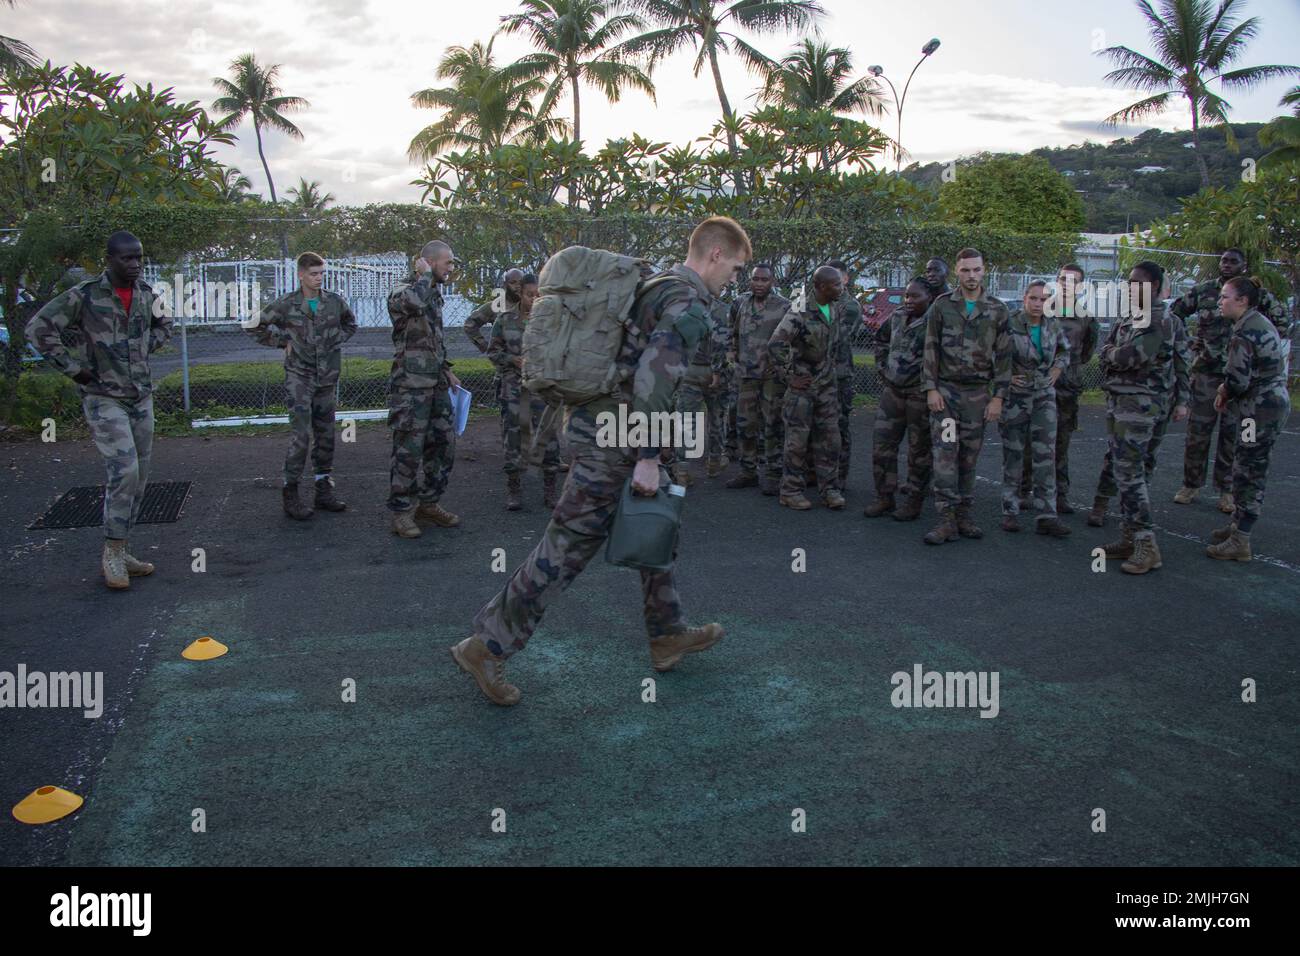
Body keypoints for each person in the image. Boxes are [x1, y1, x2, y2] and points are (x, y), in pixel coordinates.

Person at [452, 217, 751, 706]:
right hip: (620, 438)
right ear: (715, 254)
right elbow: (655, 380)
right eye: (735, 268)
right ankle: (485, 646)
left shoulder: (655, 285)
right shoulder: (687, 300)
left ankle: (667, 632)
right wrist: (649, 458)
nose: (733, 279)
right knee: (567, 547)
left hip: (605, 425)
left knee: (656, 527)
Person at [25, 231, 172, 589]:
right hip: (104, 397)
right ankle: (112, 553)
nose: (134, 264)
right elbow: (38, 328)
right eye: (126, 258)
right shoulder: (85, 295)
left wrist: (142, 347)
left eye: (138, 257)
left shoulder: (148, 295)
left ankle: (124, 551)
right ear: (109, 259)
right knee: (124, 471)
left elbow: (164, 324)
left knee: (140, 477)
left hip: (140, 397)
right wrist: (74, 369)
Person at [1171, 249, 1289, 513]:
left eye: (1233, 261)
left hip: (1241, 380)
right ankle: (1191, 484)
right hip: (1207, 374)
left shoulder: (1254, 296)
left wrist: (1259, 351)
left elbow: (1282, 321)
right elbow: (1175, 313)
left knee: (1233, 435)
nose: (1226, 264)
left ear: (1243, 265)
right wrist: (1190, 343)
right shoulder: (1204, 291)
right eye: (1223, 260)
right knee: (1197, 432)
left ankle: (1226, 491)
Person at [248, 251, 357, 519]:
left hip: (327, 377)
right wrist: (282, 342)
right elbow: (253, 325)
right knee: (301, 436)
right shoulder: (286, 304)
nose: (318, 278)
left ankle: (323, 487)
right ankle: (291, 492)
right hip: (300, 377)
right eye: (313, 274)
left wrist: (334, 339)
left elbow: (350, 324)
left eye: (321, 273)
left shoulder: (333, 302)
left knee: (326, 434)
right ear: (300, 275)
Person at [1093, 260, 1183, 574]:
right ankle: (1130, 537)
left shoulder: (1159, 319)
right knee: (1128, 473)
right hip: (1124, 404)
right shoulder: (1131, 316)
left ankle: (1146, 545)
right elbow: (1109, 347)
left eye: (1139, 283)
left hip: (1141, 409)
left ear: (1155, 287)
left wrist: (1109, 354)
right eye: (1129, 282)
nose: (1132, 288)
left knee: (1131, 475)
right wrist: (1111, 353)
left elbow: (1131, 356)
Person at [920, 248, 1009, 545]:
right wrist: (931, 388)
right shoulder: (942, 306)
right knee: (946, 454)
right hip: (946, 393)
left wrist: (998, 398)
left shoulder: (997, 309)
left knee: (969, 456)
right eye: (966, 270)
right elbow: (930, 348)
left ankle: (964, 514)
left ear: (984, 271)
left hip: (978, 395)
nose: (971, 276)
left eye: (976, 270)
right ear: (957, 272)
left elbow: (1005, 356)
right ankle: (945, 519)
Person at [1206, 277, 1291, 561]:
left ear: (1242, 300)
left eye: (1225, 297)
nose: (1221, 302)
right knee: (1246, 465)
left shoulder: (1245, 332)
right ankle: (1237, 527)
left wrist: (1223, 390)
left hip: (1259, 410)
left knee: (1248, 469)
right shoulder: (1256, 322)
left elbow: (1238, 380)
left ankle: (1241, 538)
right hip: (1267, 405)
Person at [386, 241, 462, 538]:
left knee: (444, 445)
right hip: (410, 386)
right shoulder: (403, 288)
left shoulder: (432, 290)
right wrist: (426, 276)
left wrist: (446, 369)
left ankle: (428, 504)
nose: (451, 268)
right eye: (448, 263)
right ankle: (401, 511)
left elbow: (431, 339)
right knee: (408, 450)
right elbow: (413, 304)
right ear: (428, 263)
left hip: (436, 382)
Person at [1020, 264, 1098, 514]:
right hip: (1038, 385)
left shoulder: (1085, 318)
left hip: (1066, 388)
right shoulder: (1041, 308)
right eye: (1064, 279)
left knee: (1061, 444)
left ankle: (1060, 495)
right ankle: (1023, 491)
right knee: (1032, 440)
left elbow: (1086, 353)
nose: (1068, 284)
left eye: (1074, 281)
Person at [768, 266, 846, 510]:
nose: (841, 287)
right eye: (836, 284)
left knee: (830, 440)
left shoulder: (835, 307)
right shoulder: (800, 310)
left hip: (826, 387)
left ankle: (830, 489)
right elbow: (776, 344)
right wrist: (789, 376)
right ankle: (790, 491)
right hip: (803, 389)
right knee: (797, 442)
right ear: (821, 287)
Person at [997, 281, 1071, 536]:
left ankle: (1047, 515)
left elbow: (1064, 351)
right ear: (1024, 298)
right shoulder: (1010, 323)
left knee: (1045, 455)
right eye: (1034, 299)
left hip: (1043, 395)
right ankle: (1010, 510)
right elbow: (992, 354)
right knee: (1014, 454)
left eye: (1044, 299)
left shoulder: (1052, 323)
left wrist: (1057, 369)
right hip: (1015, 396)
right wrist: (1005, 378)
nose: (1039, 304)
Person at [487, 274, 559, 510]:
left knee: (548, 437)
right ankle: (514, 489)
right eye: (530, 295)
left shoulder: (550, 320)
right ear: (520, 294)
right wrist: (512, 359)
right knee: (514, 437)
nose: (534, 299)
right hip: (514, 388)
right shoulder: (505, 320)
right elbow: (493, 352)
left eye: (539, 295)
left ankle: (550, 490)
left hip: (542, 388)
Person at [864, 277, 934, 520]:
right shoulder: (896, 317)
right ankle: (885, 497)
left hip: (919, 394)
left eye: (915, 296)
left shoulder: (934, 323)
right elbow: (881, 340)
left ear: (929, 298)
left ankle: (914, 501)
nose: (909, 301)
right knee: (882, 445)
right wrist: (882, 367)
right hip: (892, 392)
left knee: (919, 451)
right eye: (907, 296)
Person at [726, 264, 791, 494]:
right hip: (746, 377)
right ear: (750, 280)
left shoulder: (784, 306)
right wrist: (733, 356)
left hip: (771, 378)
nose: (759, 284)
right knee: (745, 424)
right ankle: (748, 471)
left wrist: (784, 368)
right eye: (756, 279)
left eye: (764, 280)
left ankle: (773, 473)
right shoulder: (741, 303)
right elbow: (732, 333)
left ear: (772, 282)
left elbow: (792, 340)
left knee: (772, 424)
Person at [670, 275, 734, 485]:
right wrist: (718, 370)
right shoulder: (720, 309)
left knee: (685, 419)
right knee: (716, 417)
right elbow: (720, 342)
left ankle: (682, 469)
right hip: (712, 371)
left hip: (689, 369)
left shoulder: (684, 307)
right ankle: (715, 461)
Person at [828, 259, 861, 492]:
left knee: (839, 426)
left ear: (846, 279)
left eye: (837, 280)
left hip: (839, 375)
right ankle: (818, 472)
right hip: (818, 374)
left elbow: (833, 337)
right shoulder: (817, 302)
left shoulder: (849, 306)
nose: (833, 285)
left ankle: (840, 476)